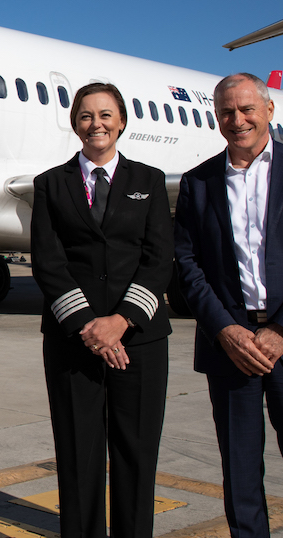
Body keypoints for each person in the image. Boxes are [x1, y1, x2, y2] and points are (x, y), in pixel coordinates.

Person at [174, 73, 283, 538]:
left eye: (247, 109)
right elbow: (188, 264)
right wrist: (224, 330)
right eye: (227, 112)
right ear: (216, 118)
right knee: (241, 481)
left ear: (269, 111)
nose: (238, 120)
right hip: (230, 346)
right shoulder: (199, 182)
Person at [29, 82, 172, 538]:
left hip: (139, 340)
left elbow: (158, 258)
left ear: (122, 122)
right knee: (77, 452)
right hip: (74, 342)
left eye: (106, 115)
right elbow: (48, 263)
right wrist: (90, 328)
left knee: (136, 452)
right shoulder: (51, 184)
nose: (97, 124)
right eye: (87, 116)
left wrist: (122, 321)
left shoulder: (148, 181)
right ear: (75, 124)